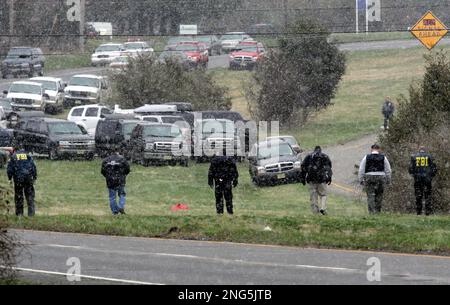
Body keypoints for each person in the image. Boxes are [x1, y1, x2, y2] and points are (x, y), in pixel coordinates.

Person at [358, 144, 392, 214]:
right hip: (380, 177)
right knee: (379, 195)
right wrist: (388, 180)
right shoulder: (383, 157)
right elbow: (388, 170)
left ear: (371, 149)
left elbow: (361, 169)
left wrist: (361, 179)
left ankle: (371, 212)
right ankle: (377, 211)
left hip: (369, 177)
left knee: (370, 195)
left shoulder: (366, 157)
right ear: (379, 149)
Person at [300, 146, 333, 215]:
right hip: (321, 179)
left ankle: (315, 212)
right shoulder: (325, 157)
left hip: (311, 179)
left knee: (313, 195)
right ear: (320, 150)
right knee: (323, 194)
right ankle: (323, 208)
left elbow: (303, 167)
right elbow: (329, 168)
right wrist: (329, 178)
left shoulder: (309, 157)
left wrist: (303, 178)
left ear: (314, 150)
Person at [7, 147, 37, 217]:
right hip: (28, 178)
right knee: (30, 196)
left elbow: (10, 169)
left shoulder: (13, 157)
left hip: (18, 179)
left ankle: (19, 214)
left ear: (14, 150)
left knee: (19, 197)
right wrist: (34, 177)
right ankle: (31, 214)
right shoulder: (28, 155)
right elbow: (33, 167)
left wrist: (10, 178)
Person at [408, 146, 437, 216]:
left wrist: (414, 175)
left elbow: (410, 169)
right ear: (425, 150)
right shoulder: (429, 156)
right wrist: (431, 176)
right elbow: (434, 168)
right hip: (427, 179)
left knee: (418, 196)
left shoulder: (414, 157)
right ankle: (427, 212)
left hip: (418, 179)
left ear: (419, 150)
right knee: (427, 195)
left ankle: (419, 212)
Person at [208, 150, 239, 215]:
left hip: (218, 180)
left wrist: (210, 181)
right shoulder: (230, 160)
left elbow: (211, 171)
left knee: (219, 197)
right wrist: (235, 180)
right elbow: (234, 171)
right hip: (227, 180)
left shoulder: (215, 160)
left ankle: (219, 212)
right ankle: (229, 211)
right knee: (228, 197)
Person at [101, 150, 130, 215]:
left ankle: (115, 212)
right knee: (122, 194)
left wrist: (108, 177)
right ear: (118, 152)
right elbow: (127, 169)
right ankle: (121, 206)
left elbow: (102, 171)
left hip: (110, 181)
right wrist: (123, 175)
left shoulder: (106, 160)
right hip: (120, 180)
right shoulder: (122, 159)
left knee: (112, 197)